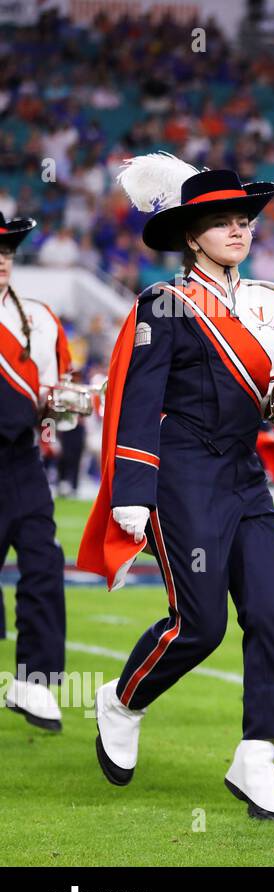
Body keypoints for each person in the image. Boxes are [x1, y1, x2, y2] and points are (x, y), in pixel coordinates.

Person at [78, 154, 274, 819]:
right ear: (191, 234)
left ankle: (258, 752)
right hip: (181, 472)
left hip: (244, 471)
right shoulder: (165, 304)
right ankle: (123, 700)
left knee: (272, 612)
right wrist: (131, 488)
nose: (238, 230)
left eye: (244, 220)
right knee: (201, 625)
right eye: (221, 221)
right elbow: (135, 396)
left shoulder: (273, 303)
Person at [0, 211, 72, 732]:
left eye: (6, 253)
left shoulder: (39, 318)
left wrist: (67, 405)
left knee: (44, 562)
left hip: (21, 460)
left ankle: (35, 680)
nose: (2, 262)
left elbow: (48, 394)